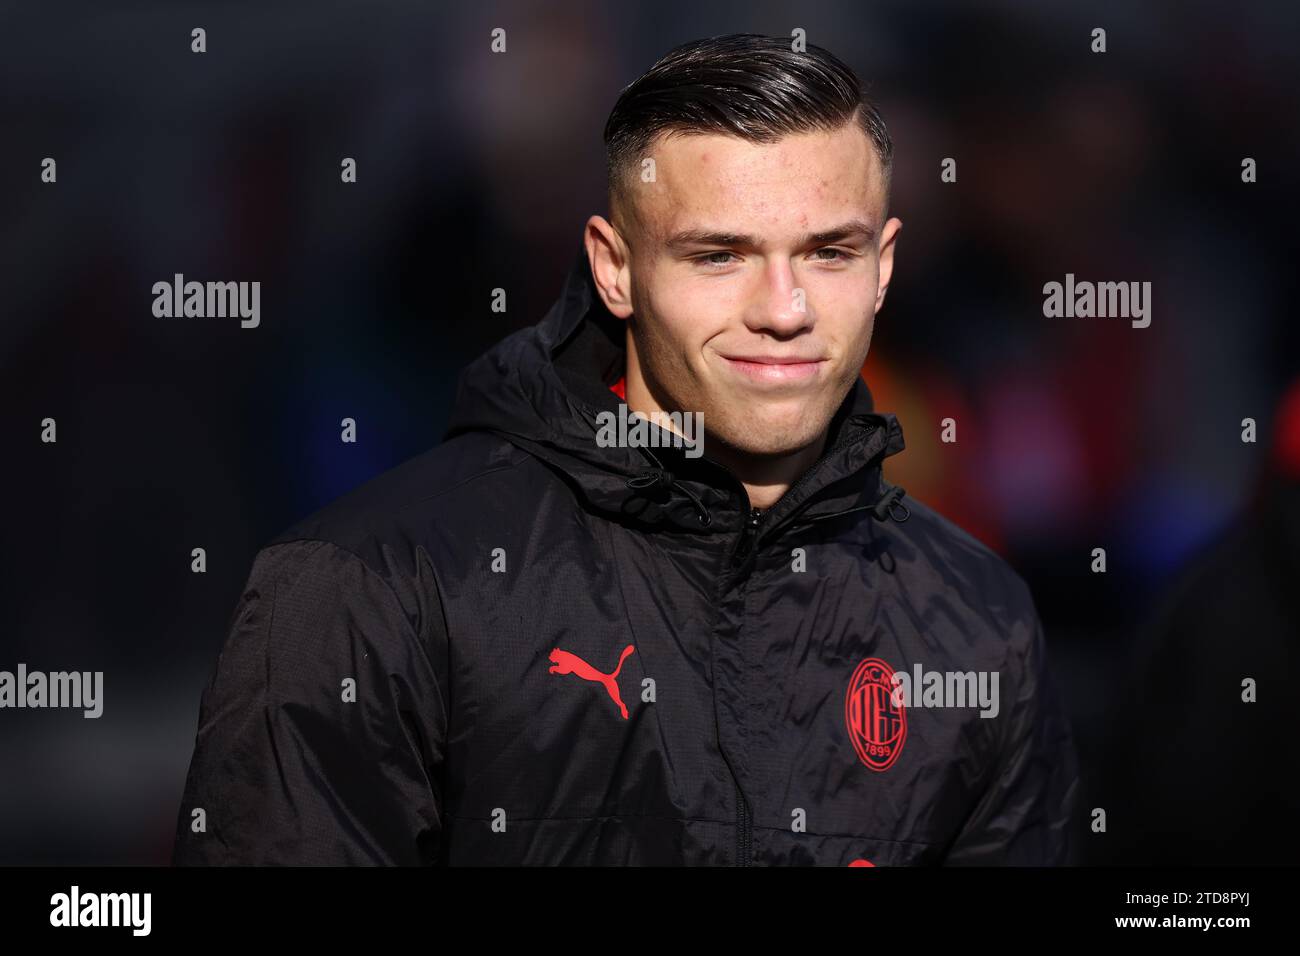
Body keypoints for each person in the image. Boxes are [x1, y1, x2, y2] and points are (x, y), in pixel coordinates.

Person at [172, 33, 1079, 866]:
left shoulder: (979, 624)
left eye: (828, 254)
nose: (784, 309)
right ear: (615, 268)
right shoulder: (367, 590)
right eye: (718, 255)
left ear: (884, 266)